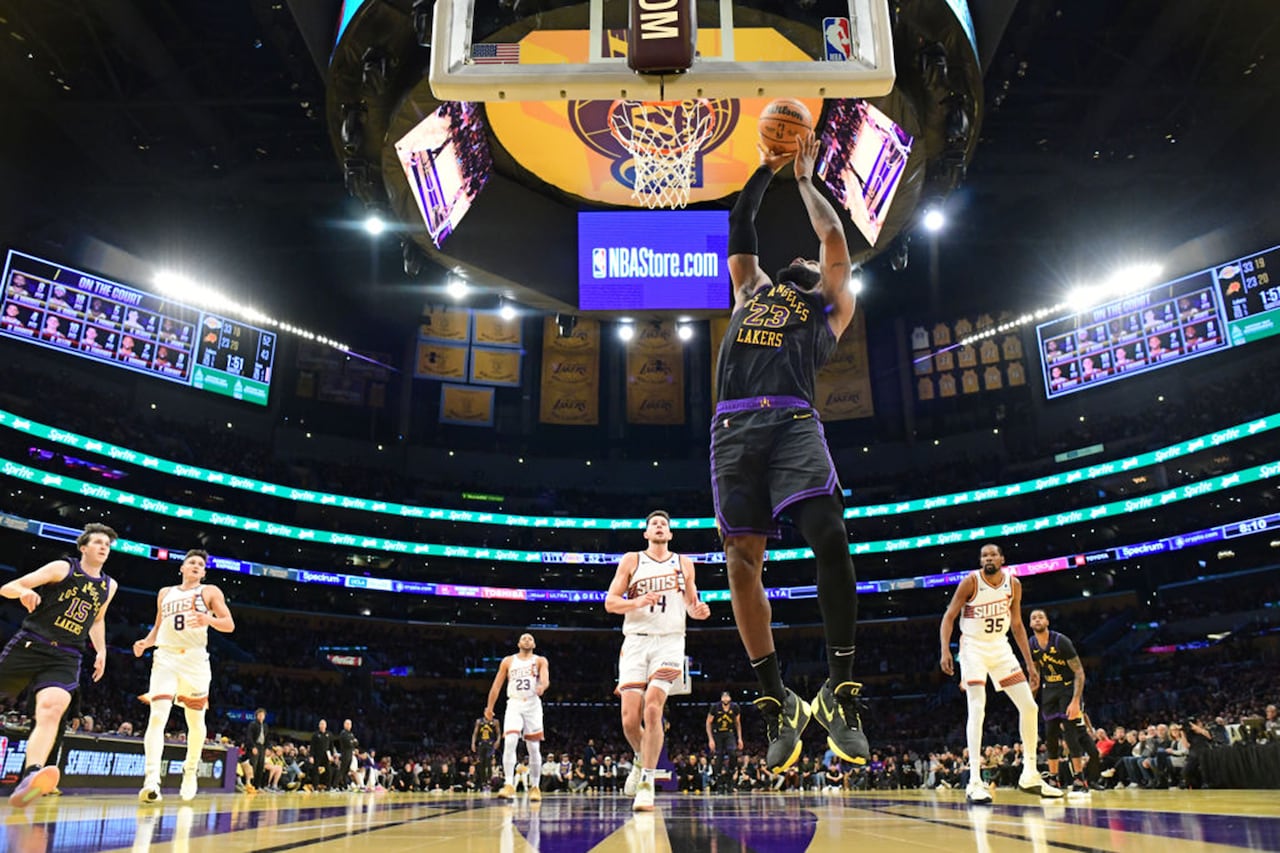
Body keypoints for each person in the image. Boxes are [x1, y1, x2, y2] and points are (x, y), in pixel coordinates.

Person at [713, 131, 866, 773]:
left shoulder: (830, 305)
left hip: (794, 420)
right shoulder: (749, 292)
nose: (803, 257)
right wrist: (763, 168)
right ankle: (779, 703)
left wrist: (805, 181)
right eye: (796, 258)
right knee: (741, 563)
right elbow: (741, 220)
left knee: (829, 534)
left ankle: (841, 694)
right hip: (733, 428)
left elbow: (833, 240)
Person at [0, 523, 119, 806]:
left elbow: (97, 619)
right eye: (98, 542)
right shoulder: (63, 568)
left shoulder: (109, 585)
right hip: (32, 643)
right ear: (83, 548)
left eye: (108, 544)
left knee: (52, 709)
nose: (104, 547)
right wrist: (23, 593)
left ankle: (30, 775)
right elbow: (8, 587)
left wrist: (101, 650)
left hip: (67, 655)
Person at [939, 543, 1064, 803]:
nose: (988, 558)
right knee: (977, 707)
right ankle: (974, 781)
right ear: (981, 560)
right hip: (972, 647)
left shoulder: (1013, 584)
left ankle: (1029, 773)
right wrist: (945, 651)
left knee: (1029, 707)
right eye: (984, 555)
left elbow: (1017, 624)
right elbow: (949, 616)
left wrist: (1030, 664)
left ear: (1002, 559)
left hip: (1000, 647)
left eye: (993, 554)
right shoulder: (970, 582)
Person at [605, 509, 710, 811]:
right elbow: (610, 602)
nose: (660, 526)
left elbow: (692, 603)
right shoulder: (632, 560)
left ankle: (647, 782)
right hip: (636, 642)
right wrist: (636, 601)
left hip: (670, 641)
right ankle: (641, 760)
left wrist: (697, 611)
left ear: (670, 534)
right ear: (646, 534)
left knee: (653, 708)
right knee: (628, 720)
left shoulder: (684, 563)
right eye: (654, 524)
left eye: (664, 524)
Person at [132, 549, 236, 803]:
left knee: (195, 721)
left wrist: (207, 618)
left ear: (204, 572)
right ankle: (151, 781)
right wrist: (145, 643)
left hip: (194, 659)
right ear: (182, 567)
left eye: (201, 564)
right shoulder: (165, 593)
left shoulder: (210, 591)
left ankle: (190, 771)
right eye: (192, 562)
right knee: (157, 716)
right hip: (165, 657)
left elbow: (229, 624)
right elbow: (158, 626)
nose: (196, 566)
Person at [1027, 609, 1098, 795]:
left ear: (1047, 621)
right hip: (1048, 690)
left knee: (1071, 735)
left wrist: (1076, 700)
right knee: (1051, 738)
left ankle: (1079, 779)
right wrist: (1028, 702)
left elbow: (1079, 672)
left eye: (1040, 617)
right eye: (1033, 618)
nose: (1037, 620)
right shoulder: (1031, 643)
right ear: (1030, 624)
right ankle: (1053, 779)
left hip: (1068, 690)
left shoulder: (1061, 641)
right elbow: (1034, 676)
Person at [484, 632, 549, 800]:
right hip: (514, 702)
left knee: (533, 748)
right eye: (524, 638)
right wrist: (489, 707)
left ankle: (535, 786)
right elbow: (496, 686)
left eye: (530, 638)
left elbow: (545, 679)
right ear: (518, 643)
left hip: (532, 704)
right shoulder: (508, 661)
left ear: (534, 644)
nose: (527, 640)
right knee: (511, 741)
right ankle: (509, 784)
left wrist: (542, 686)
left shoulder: (540, 660)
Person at [706, 691, 743, 791]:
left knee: (733, 753)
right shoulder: (715, 707)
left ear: (730, 698)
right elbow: (708, 723)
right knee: (719, 757)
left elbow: (738, 723)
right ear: (721, 699)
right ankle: (719, 782)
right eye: (724, 697)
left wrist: (740, 738)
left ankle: (730, 775)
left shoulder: (735, 707)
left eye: (727, 696)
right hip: (717, 733)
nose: (725, 698)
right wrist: (710, 739)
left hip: (729, 733)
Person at [472, 712, 500, 791]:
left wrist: (498, 741)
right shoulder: (479, 721)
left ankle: (488, 781)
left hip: (490, 744)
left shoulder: (495, 721)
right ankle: (482, 781)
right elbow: (475, 733)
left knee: (489, 761)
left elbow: (498, 733)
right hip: (481, 744)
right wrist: (473, 743)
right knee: (481, 763)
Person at [246, 708, 269, 789]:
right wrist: (252, 747)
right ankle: (250, 784)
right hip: (255, 745)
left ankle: (257, 785)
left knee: (260, 766)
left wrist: (267, 748)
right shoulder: (252, 724)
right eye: (259, 715)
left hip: (262, 747)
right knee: (254, 766)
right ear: (256, 716)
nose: (261, 716)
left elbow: (267, 738)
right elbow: (249, 737)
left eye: (263, 715)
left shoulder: (265, 726)